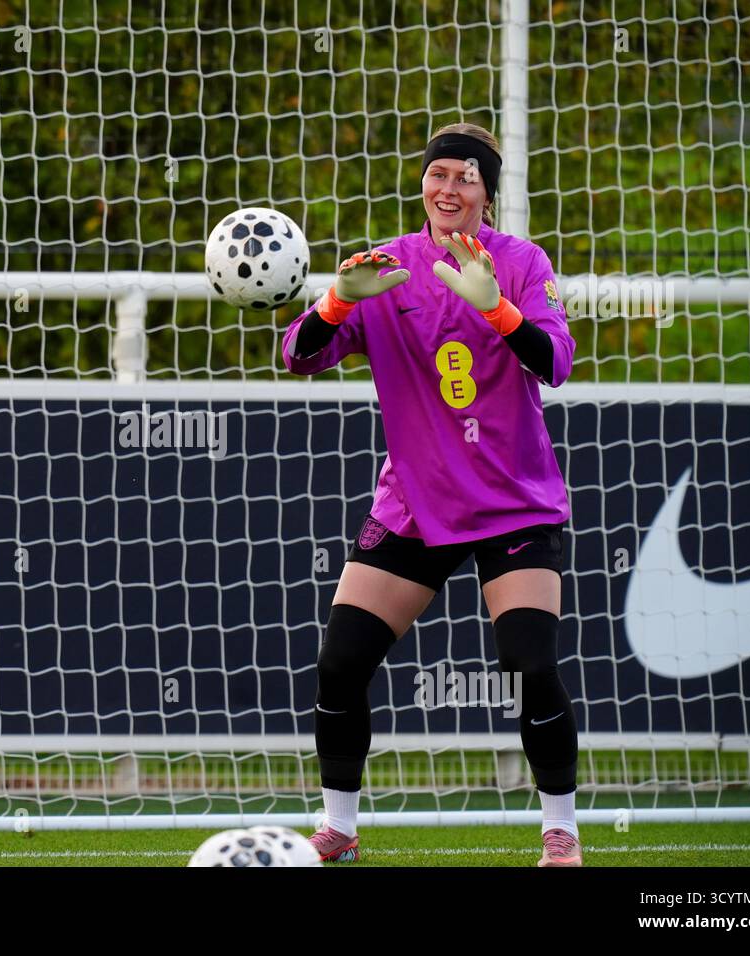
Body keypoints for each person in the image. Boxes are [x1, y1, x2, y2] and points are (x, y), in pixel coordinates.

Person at [281, 122, 581, 866]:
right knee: (340, 664)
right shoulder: (388, 266)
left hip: (512, 502)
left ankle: (561, 834)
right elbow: (298, 356)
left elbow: (557, 362)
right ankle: (340, 830)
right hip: (414, 501)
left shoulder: (519, 262)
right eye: (438, 174)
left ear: (487, 193)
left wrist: (497, 308)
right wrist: (336, 303)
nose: (448, 188)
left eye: (465, 177)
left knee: (530, 665)